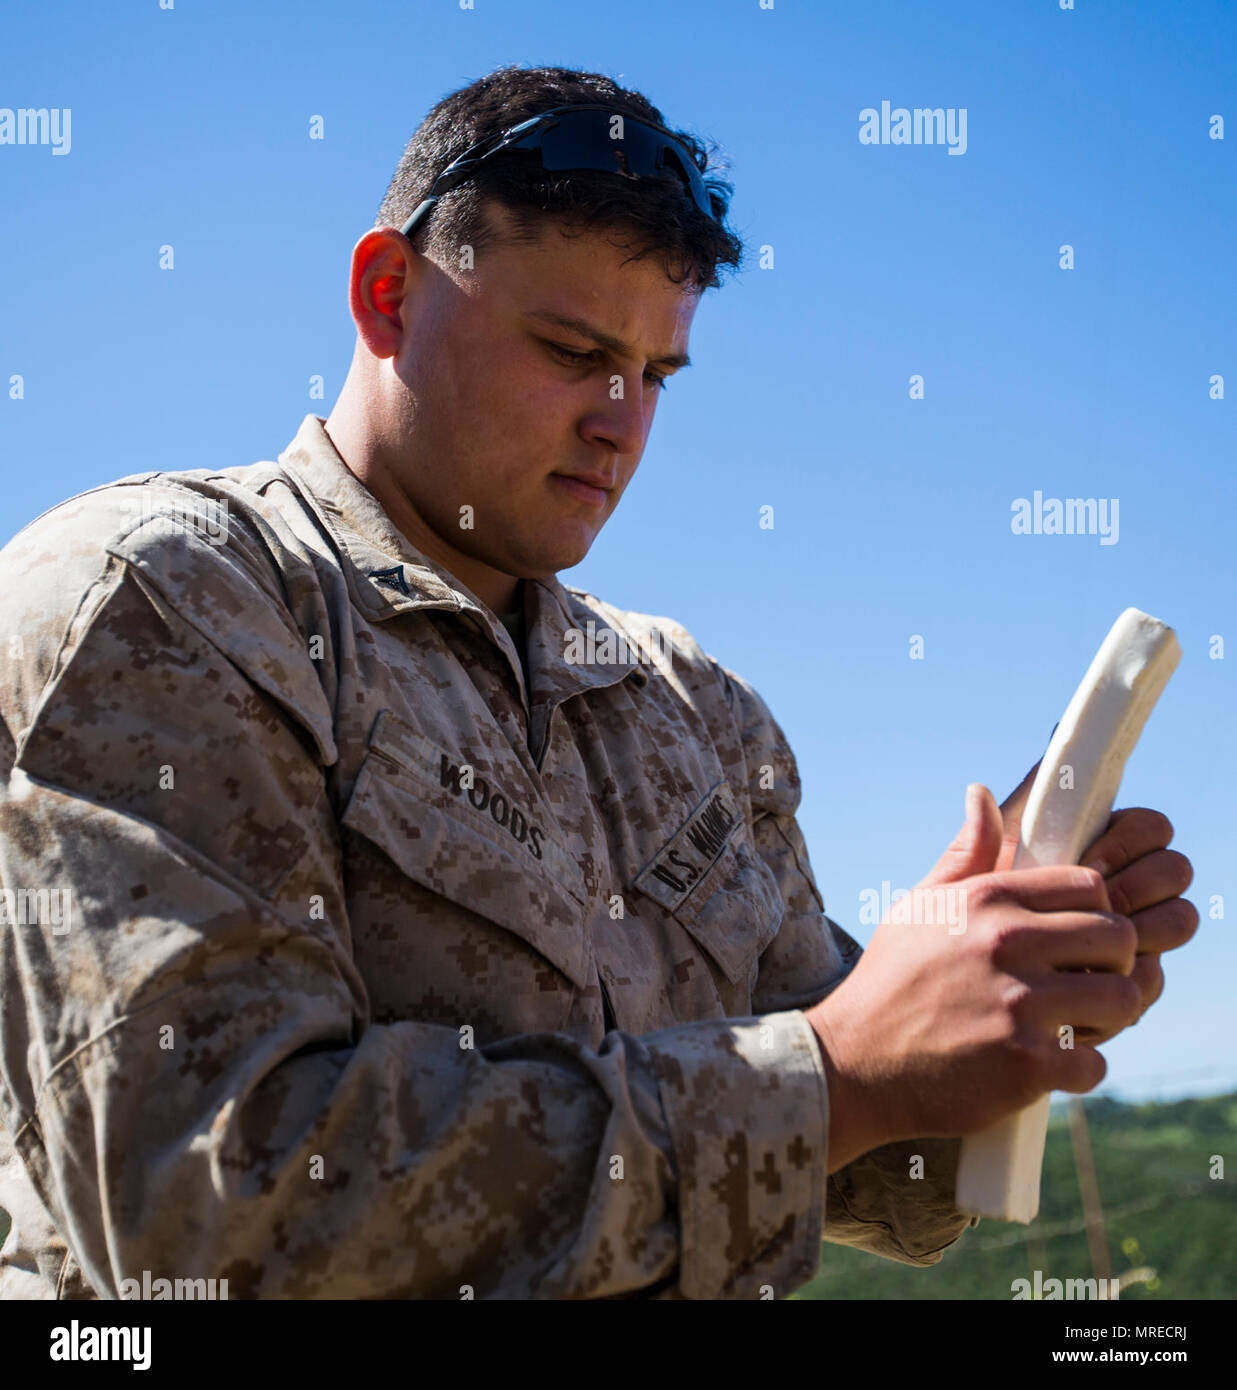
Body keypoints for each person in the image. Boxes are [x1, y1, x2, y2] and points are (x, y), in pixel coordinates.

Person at [0, 65, 1196, 1301]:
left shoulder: (688, 706)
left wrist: (996, 1001)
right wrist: (835, 1072)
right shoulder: (163, 601)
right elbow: (207, 1215)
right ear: (387, 293)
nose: (621, 419)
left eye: (657, 372)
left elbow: (864, 1174)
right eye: (572, 351)